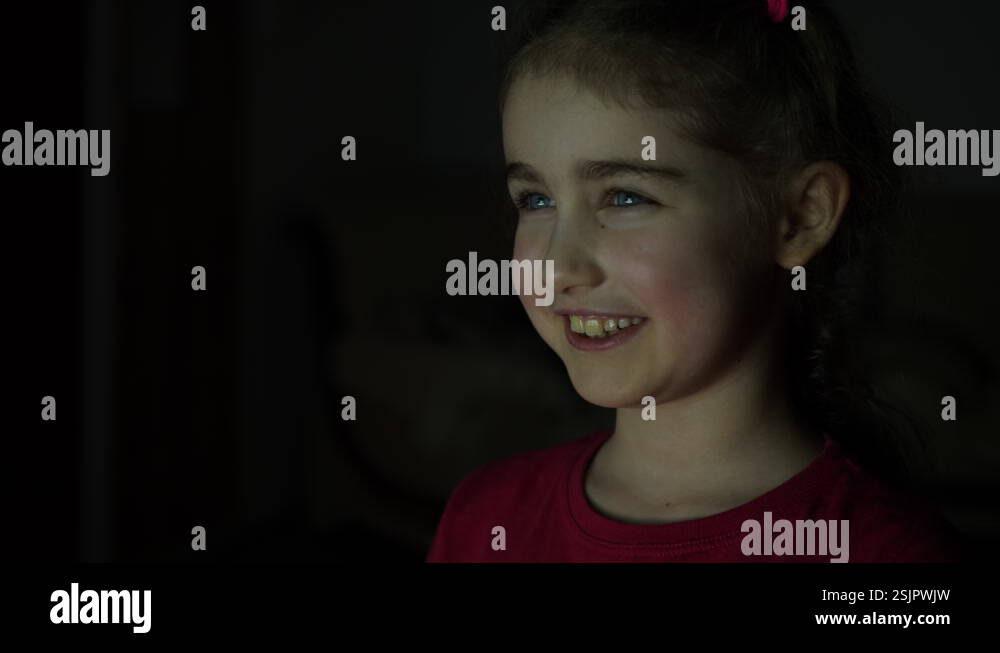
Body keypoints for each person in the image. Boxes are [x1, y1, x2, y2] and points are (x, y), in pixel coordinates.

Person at [427, 0, 965, 562]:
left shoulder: (889, 559)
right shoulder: (484, 518)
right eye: (535, 200)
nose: (558, 266)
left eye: (626, 197)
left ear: (801, 216)